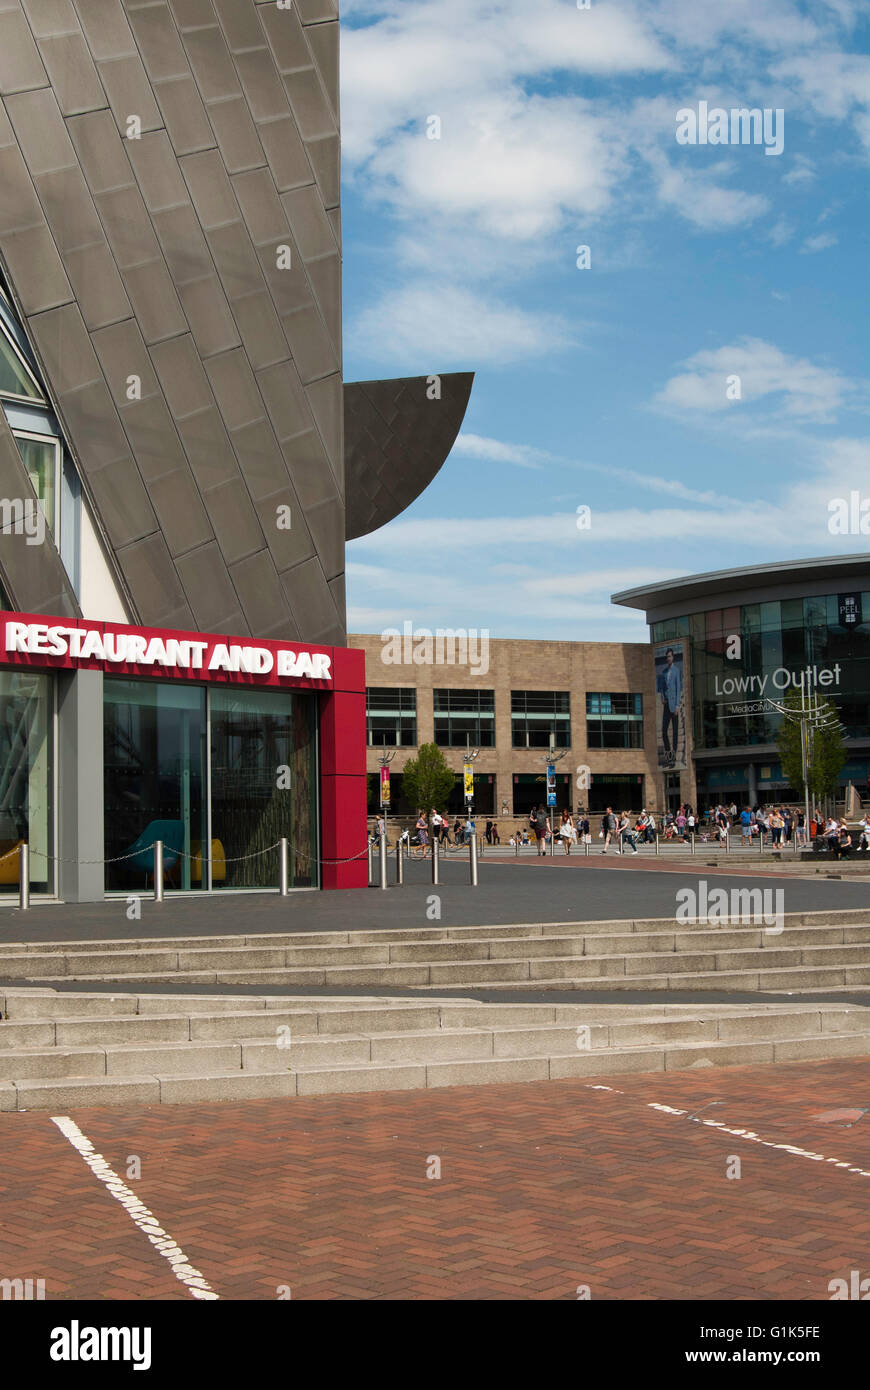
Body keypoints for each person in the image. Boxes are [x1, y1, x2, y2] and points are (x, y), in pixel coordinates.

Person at [657, 647, 682, 766]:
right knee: (663, 731)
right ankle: (668, 755)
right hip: (667, 705)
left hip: (674, 706)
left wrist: (677, 705)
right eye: (667, 657)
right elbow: (661, 688)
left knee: (676, 732)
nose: (668, 658)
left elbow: (678, 689)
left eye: (670, 656)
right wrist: (662, 698)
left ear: (673, 657)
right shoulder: (664, 672)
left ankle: (674, 756)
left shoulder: (677, 671)